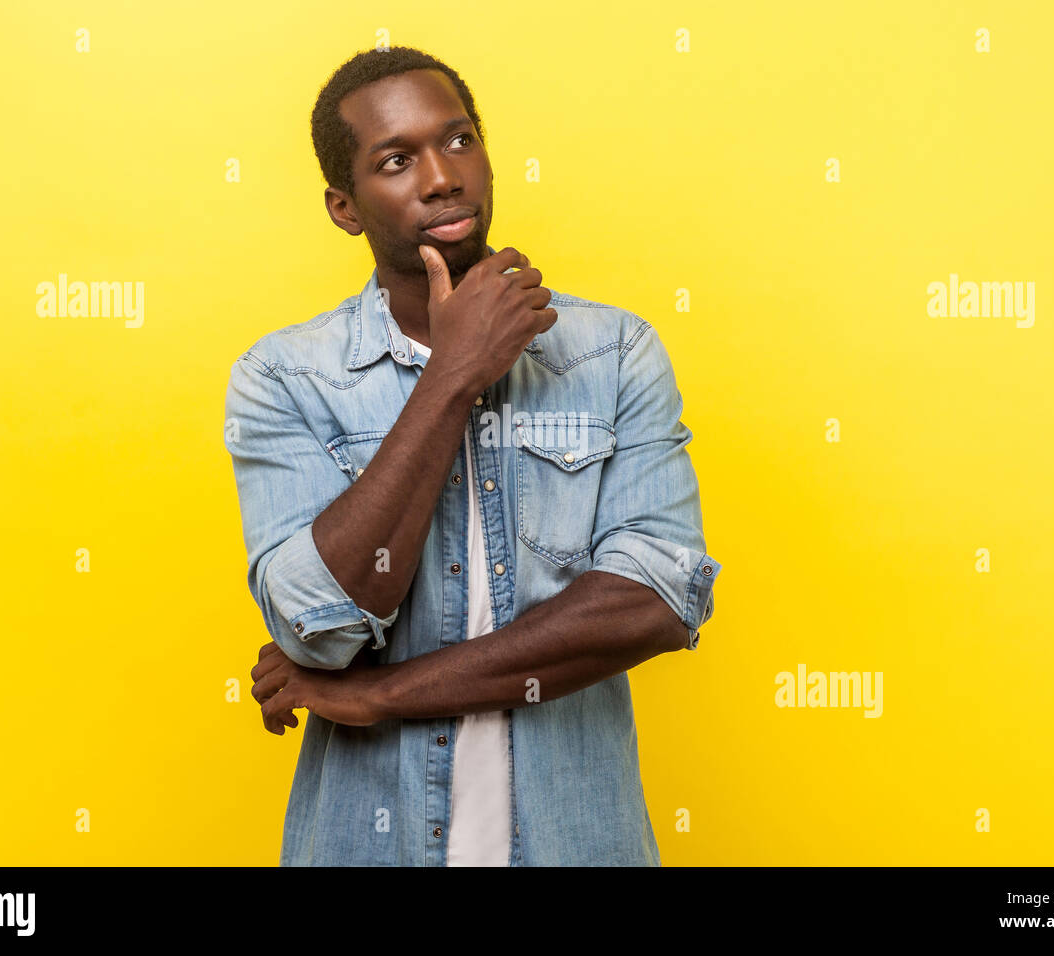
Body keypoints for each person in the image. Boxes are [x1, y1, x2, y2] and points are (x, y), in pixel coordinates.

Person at [224, 45, 721, 866]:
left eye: (458, 141)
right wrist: (451, 378)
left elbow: (656, 601)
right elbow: (319, 627)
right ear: (345, 208)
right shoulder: (283, 378)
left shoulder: (614, 353)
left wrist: (383, 693)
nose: (441, 177)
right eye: (396, 160)